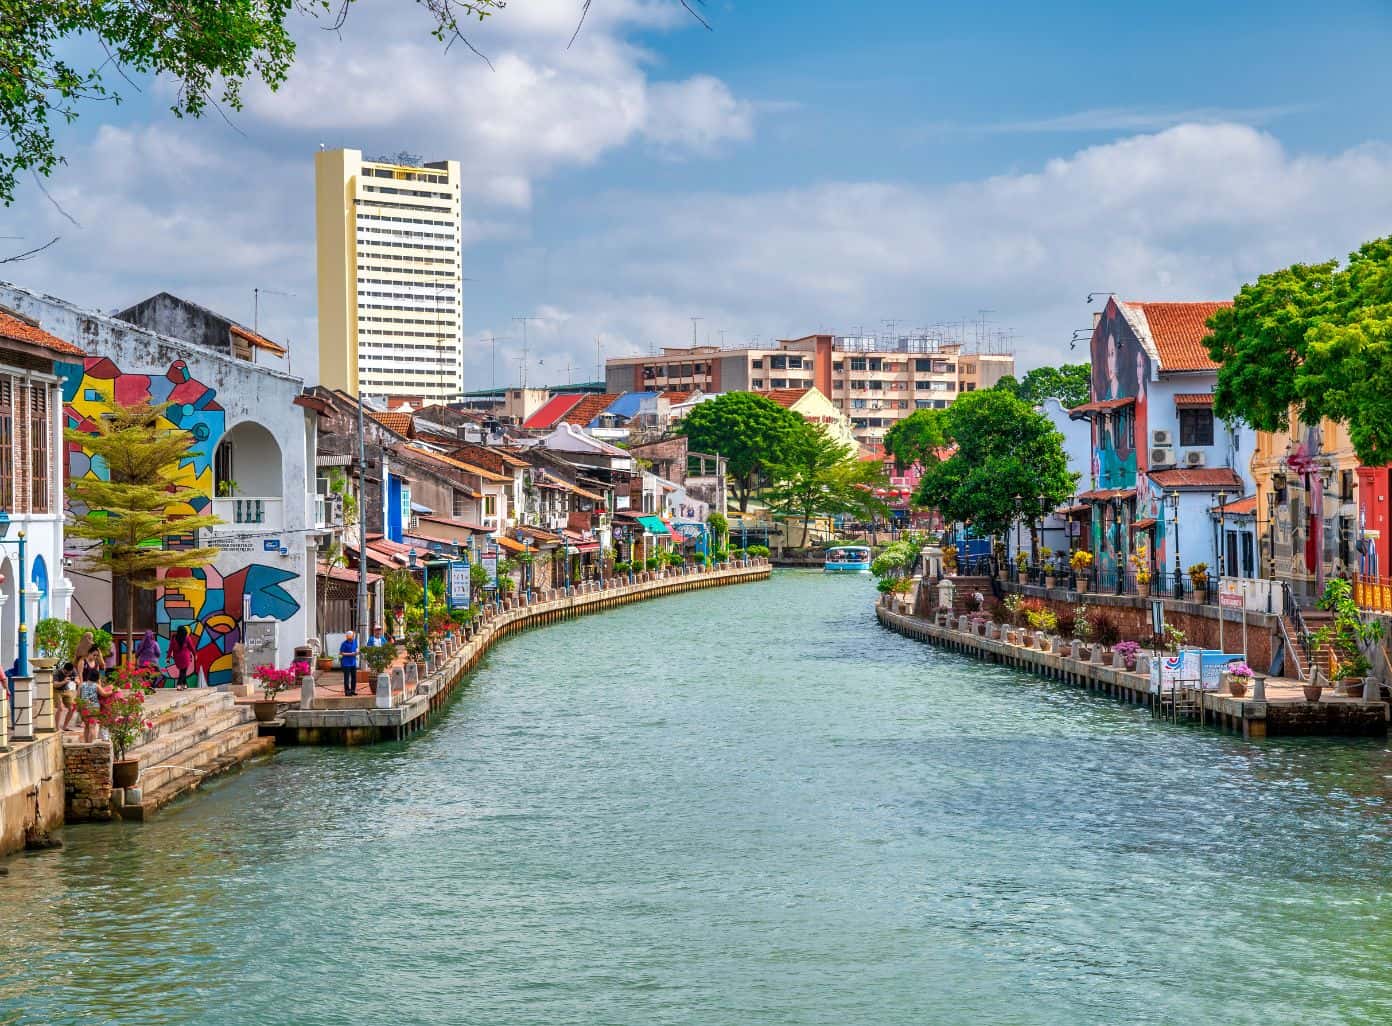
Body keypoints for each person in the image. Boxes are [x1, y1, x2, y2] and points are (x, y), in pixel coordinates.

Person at [169, 626, 196, 690]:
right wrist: (195, 654)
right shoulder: (187, 638)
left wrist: (168, 657)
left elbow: (170, 648)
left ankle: (185, 684)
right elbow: (191, 647)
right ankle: (179, 685)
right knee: (183, 671)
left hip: (177, 658)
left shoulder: (174, 638)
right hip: (185, 657)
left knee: (182, 670)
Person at [57, 662, 79, 731]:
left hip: (66, 690)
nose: (68, 674)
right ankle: (57, 728)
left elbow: (78, 679)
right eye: (66, 673)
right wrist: (64, 681)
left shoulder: (73, 670)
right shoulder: (57, 672)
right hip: (56, 690)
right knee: (60, 708)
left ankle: (64, 726)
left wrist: (76, 681)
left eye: (69, 673)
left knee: (71, 708)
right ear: (63, 669)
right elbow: (55, 684)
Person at [339, 631, 359, 696]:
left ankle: (353, 690)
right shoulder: (344, 643)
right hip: (346, 663)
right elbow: (341, 653)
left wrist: (357, 651)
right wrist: (351, 654)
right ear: (347, 637)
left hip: (353, 663)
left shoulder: (355, 642)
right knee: (346, 678)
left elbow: (356, 648)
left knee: (354, 677)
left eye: (352, 636)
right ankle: (347, 691)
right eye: (350, 637)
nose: (351, 638)